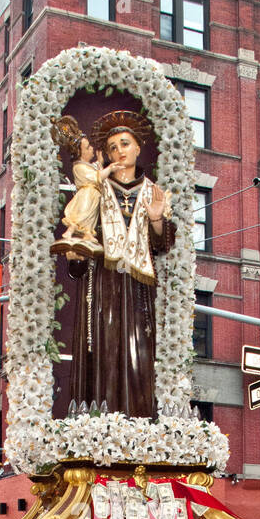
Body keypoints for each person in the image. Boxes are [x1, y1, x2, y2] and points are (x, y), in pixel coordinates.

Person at [66, 110, 175, 418]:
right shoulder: (96, 190)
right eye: (112, 147)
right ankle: (103, 422)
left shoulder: (152, 191)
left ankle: (139, 420)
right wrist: (76, 256)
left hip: (138, 290)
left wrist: (155, 217)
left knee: (138, 353)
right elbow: (81, 239)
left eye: (125, 143)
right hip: (103, 285)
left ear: (139, 147)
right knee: (104, 351)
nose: (119, 151)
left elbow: (163, 244)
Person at [50, 115, 115, 257]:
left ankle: (87, 234)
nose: (91, 148)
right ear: (80, 152)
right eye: (88, 147)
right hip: (86, 197)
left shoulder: (87, 165)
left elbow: (95, 171)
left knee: (89, 219)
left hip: (93, 197)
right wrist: (109, 169)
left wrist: (100, 162)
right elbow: (95, 177)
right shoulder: (78, 167)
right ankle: (69, 232)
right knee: (81, 216)